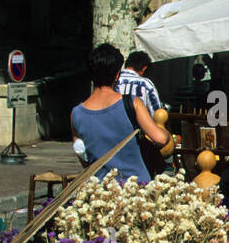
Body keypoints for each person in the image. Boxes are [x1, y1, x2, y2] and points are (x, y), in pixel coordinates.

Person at [71, 43, 171, 184]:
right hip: (136, 187)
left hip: (100, 191)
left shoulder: (77, 114)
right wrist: (165, 129)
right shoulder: (132, 103)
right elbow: (160, 138)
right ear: (117, 75)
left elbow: (81, 153)